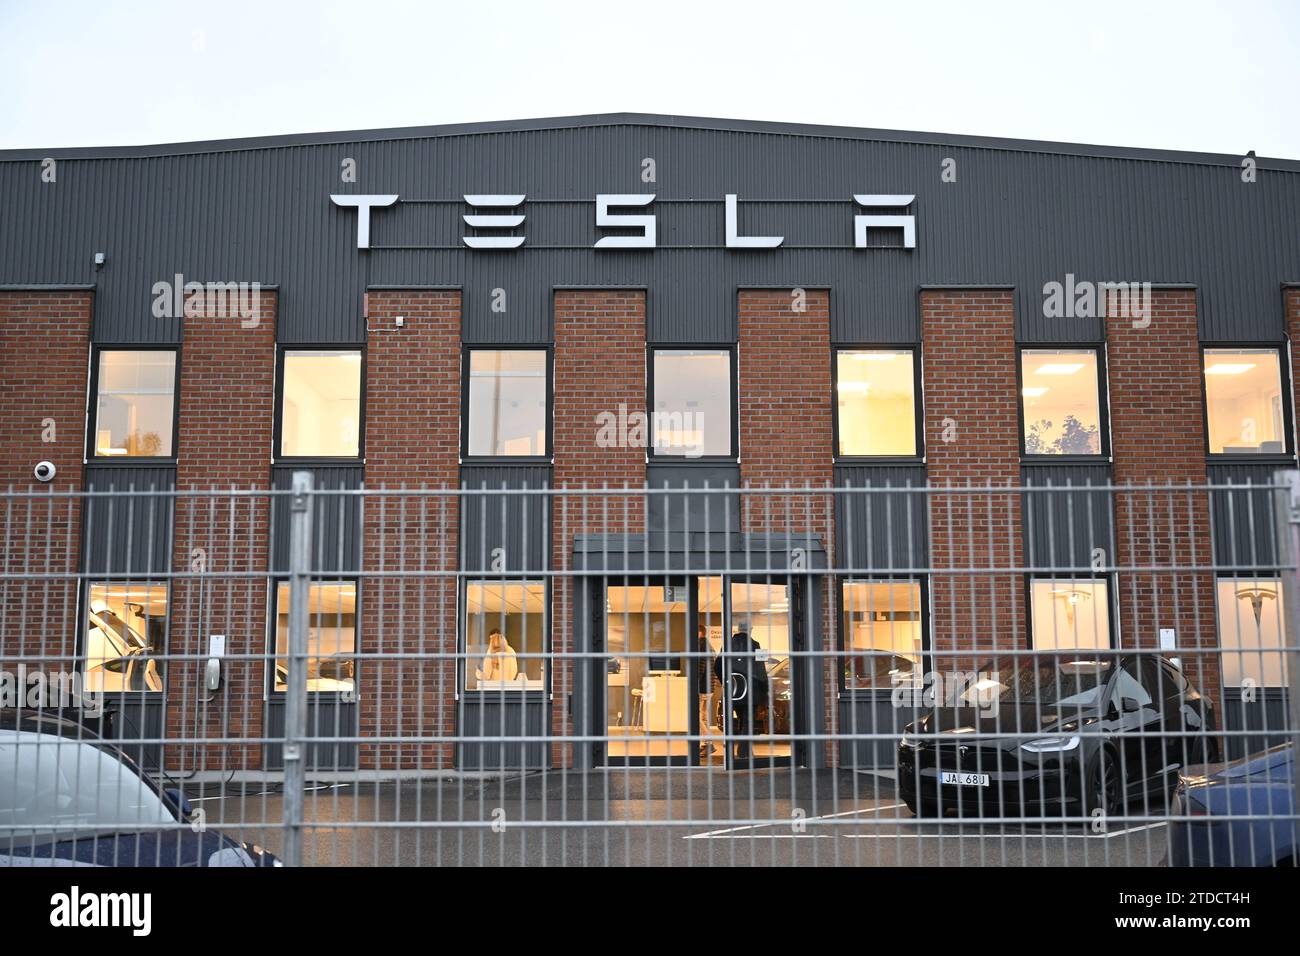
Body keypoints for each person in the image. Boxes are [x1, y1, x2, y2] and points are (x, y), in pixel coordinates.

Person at [713, 629, 769, 760]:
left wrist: (726, 681)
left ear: (738, 630)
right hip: (751, 690)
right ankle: (744, 751)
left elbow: (717, 665)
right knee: (748, 721)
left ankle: (742, 750)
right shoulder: (756, 644)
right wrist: (765, 690)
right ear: (750, 630)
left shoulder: (727, 644)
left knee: (740, 719)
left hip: (734, 690)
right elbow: (761, 670)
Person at [695, 626, 721, 759]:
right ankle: (705, 745)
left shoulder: (701, 645)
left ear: (699, 633)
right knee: (703, 717)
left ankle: (709, 742)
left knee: (695, 717)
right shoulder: (710, 646)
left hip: (701, 687)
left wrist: (693, 684)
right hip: (709, 688)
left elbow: (700, 668)